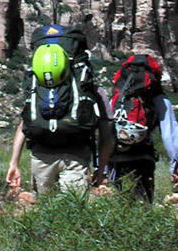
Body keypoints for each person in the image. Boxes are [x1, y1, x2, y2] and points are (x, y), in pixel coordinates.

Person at [6, 33, 114, 195]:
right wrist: (101, 169)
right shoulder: (92, 91)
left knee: (45, 210)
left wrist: (14, 163)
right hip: (76, 157)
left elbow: (24, 125)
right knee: (73, 213)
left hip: (41, 156)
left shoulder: (38, 88)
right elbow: (107, 137)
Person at [106, 51, 178, 202]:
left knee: (117, 203)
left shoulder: (118, 96)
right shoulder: (158, 98)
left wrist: (101, 167)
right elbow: (170, 132)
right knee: (144, 201)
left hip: (117, 156)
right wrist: (176, 162)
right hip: (144, 155)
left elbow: (106, 130)